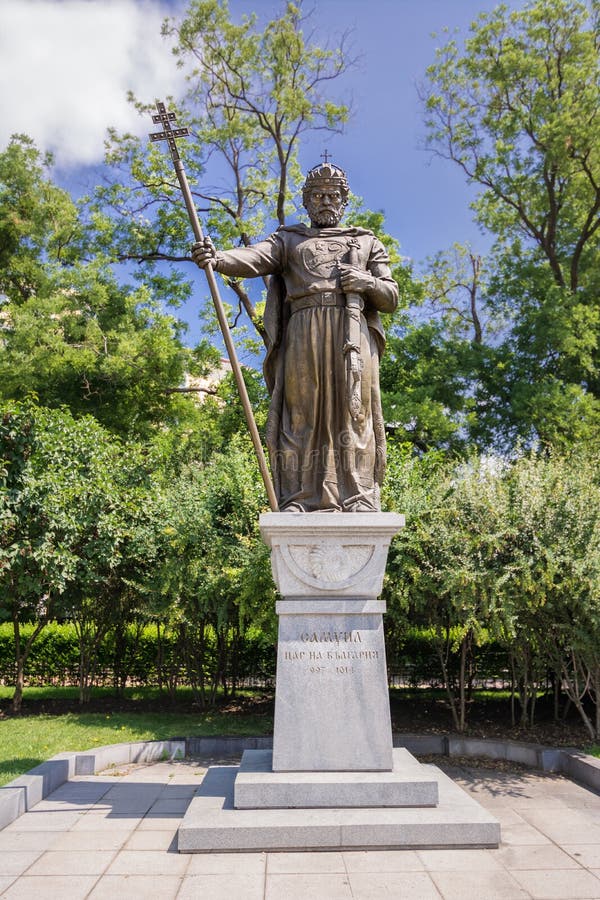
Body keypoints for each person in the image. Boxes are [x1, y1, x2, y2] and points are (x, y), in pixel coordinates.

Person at [192, 161, 398, 512]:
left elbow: (391, 296)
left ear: (344, 201)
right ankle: (298, 497)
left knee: (354, 411)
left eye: (333, 196)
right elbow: (254, 258)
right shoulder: (289, 240)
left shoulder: (364, 241)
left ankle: (359, 495)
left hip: (351, 330)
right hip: (303, 328)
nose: (326, 202)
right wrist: (219, 257)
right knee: (300, 412)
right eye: (317, 196)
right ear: (306, 202)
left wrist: (365, 283)